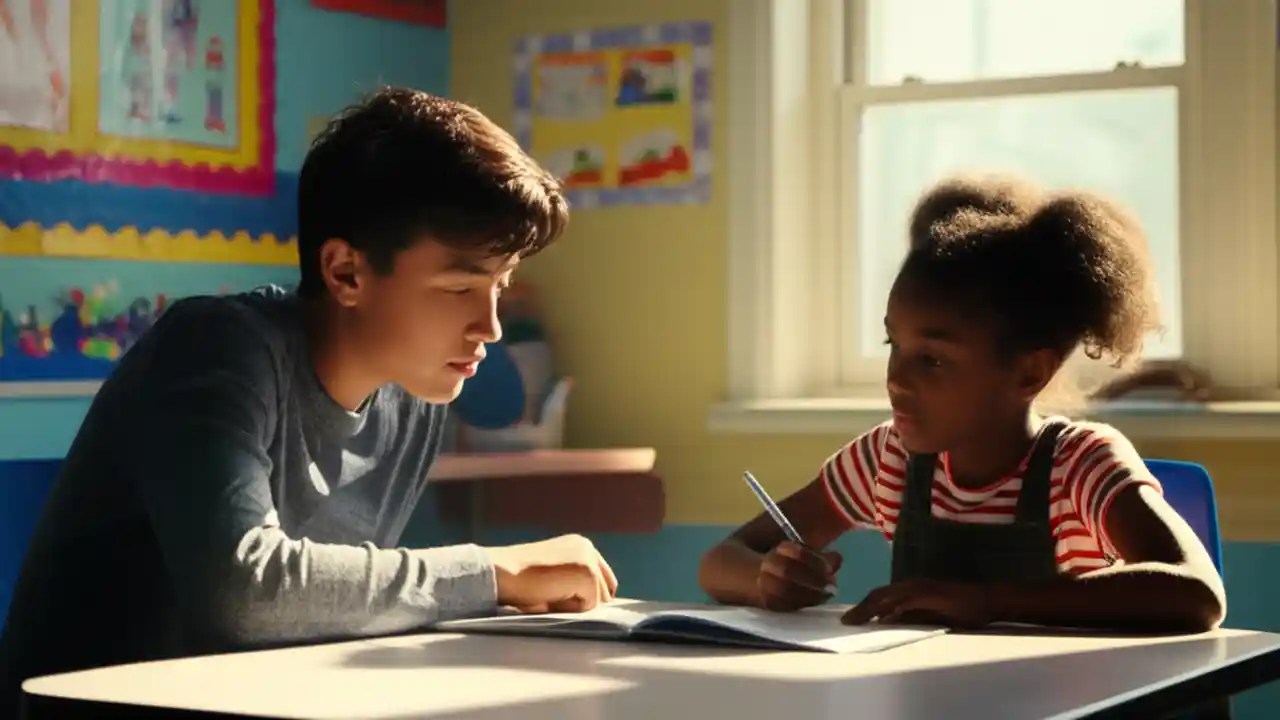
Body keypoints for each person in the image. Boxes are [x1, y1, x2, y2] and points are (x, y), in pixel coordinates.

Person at [0, 87, 617, 713]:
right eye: (459, 287)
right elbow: (243, 592)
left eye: (500, 285)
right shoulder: (214, 348)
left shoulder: (414, 391)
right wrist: (493, 573)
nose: (490, 326)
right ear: (345, 272)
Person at [699, 175, 1225, 632]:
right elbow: (720, 562)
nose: (896, 380)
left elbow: (1197, 593)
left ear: (1028, 373)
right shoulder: (888, 459)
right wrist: (766, 579)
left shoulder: (1079, 464)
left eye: (932, 360)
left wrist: (991, 602)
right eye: (893, 345)